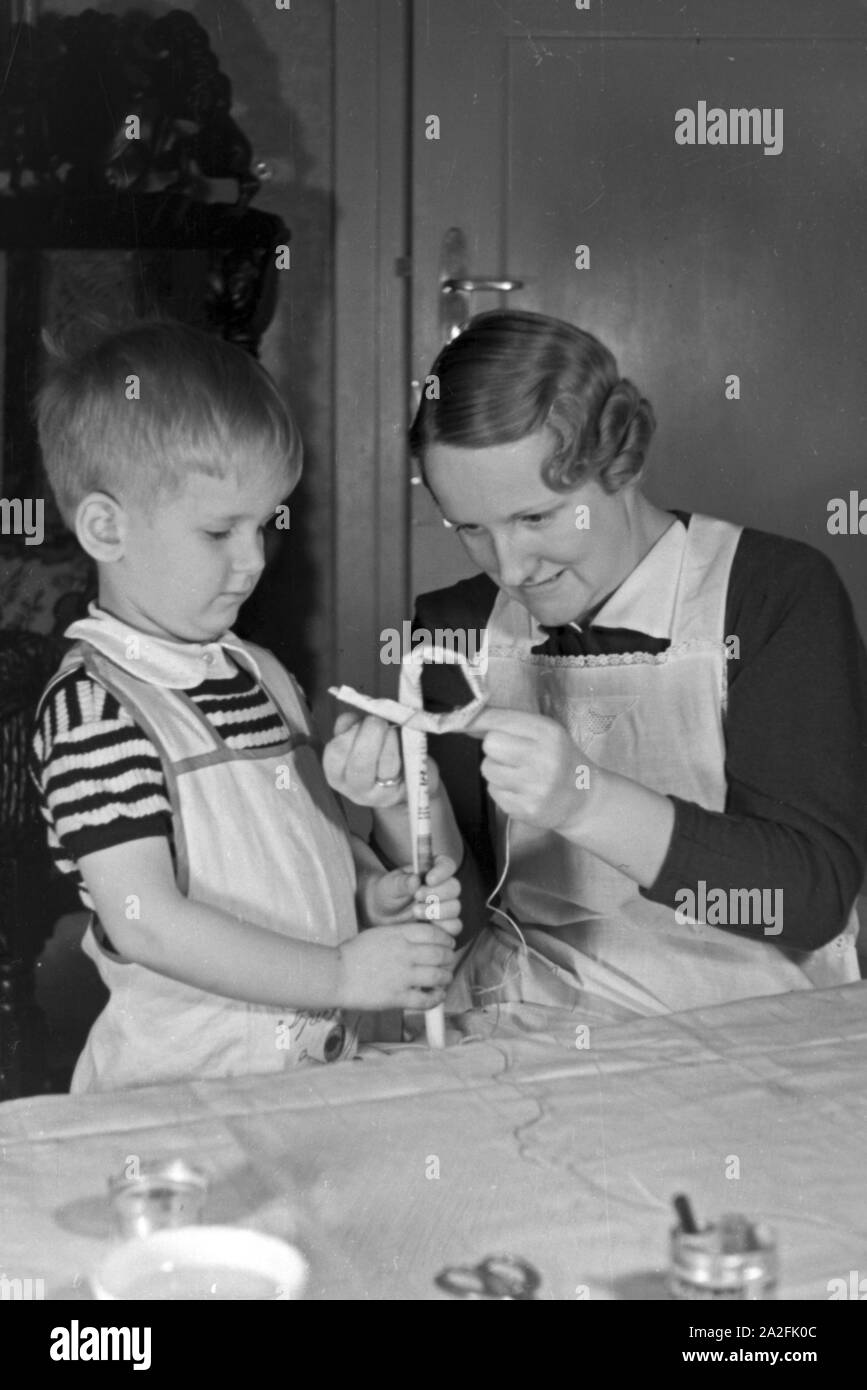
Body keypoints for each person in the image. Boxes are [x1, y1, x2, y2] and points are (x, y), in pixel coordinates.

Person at [325, 310, 867, 1021]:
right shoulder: (454, 629)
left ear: (621, 461)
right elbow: (467, 907)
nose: (510, 568)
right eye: (470, 529)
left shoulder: (769, 593)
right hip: (524, 1019)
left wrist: (587, 802)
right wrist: (404, 808)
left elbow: (809, 899)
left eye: (536, 519)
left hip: (752, 1023)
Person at [30, 320, 461, 1092]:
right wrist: (336, 975)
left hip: (304, 1077)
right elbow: (145, 917)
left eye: (263, 524)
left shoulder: (260, 673)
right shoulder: (95, 710)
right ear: (105, 527)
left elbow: (300, 842)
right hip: (179, 1091)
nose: (254, 558)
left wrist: (369, 891)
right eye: (219, 530)